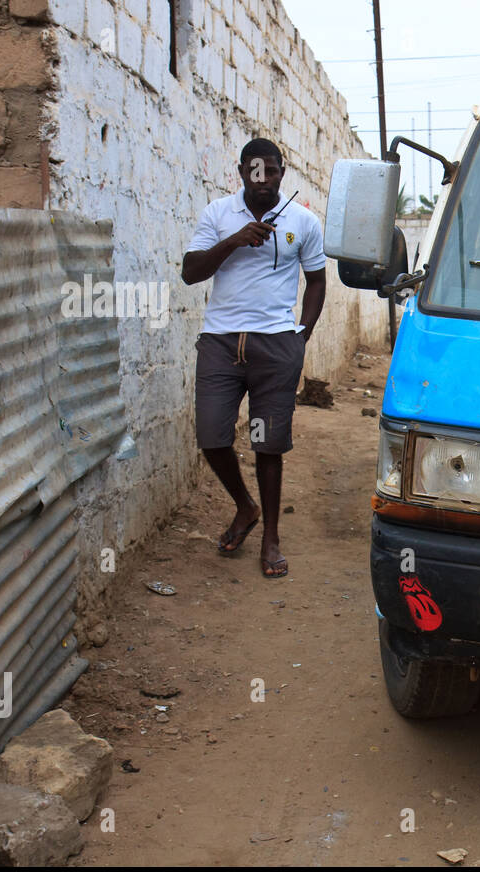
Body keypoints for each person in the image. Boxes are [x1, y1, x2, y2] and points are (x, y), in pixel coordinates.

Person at [181, 138, 326, 577]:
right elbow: (191, 272)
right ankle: (245, 507)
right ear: (242, 171)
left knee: (267, 444)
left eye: (272, 171)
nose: (263, 179)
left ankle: (271, 539)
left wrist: (302, 335)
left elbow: (317, 281)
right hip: (222, 343)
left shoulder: (302, 221)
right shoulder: (218, 213)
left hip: (275, 348)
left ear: (282, 172)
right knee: (212, 435)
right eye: (255, 171)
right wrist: (235, 240)